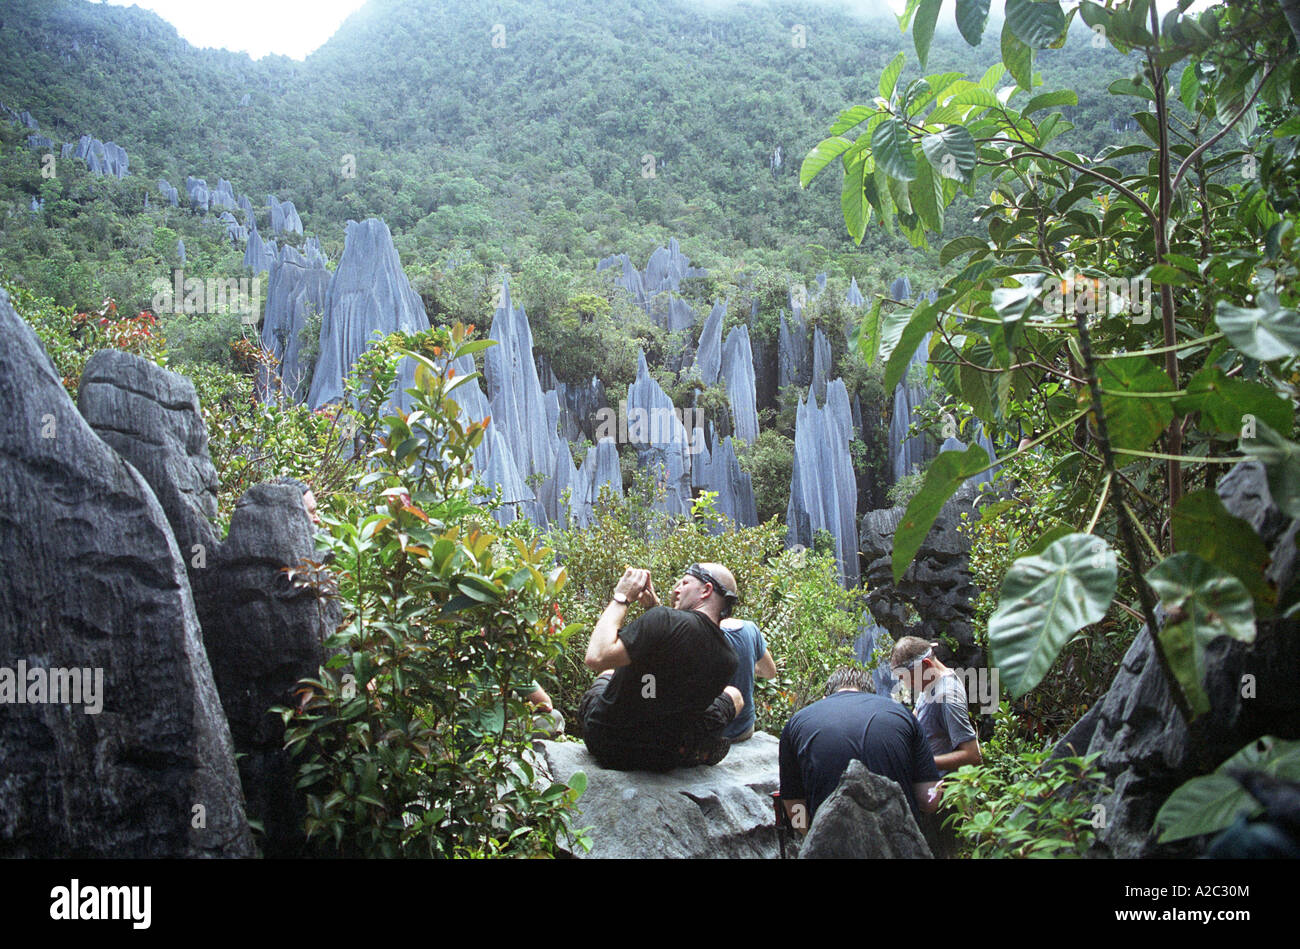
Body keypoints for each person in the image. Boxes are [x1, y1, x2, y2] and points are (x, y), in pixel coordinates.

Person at [579, 563, 744, 772]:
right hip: (663, 756)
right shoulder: (729, 659)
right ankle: (700, 745)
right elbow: (672, 651)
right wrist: (654, 609)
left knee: (608, 672)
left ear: (706, 590)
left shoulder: (664, 620)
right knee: (733, 694)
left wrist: (621, 597)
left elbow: (597, 656)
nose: (676, 590)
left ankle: (699, 745)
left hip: (608, 746)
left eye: (684, 583)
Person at [778, 666, 942, 835]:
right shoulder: (902, 715)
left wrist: (809, 834)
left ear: (825, 698)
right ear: (872, 694)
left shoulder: (795, 724)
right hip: (897, 840)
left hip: (831, 843)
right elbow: (929, 800)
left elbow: (793, 804)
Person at [889, 637, 982, 775]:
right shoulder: (931, 682)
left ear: (926, 665)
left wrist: (921, 762)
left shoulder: (948, 696)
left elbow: (972, 755)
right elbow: (917, 717)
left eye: (908, 678)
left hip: (939, 787)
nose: (907, 685)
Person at [719, 616, 776, 742]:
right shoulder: (750, 629)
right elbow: (770, 672)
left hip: (712, 733)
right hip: (744, 730)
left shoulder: (699, 632)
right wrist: (747, 664)